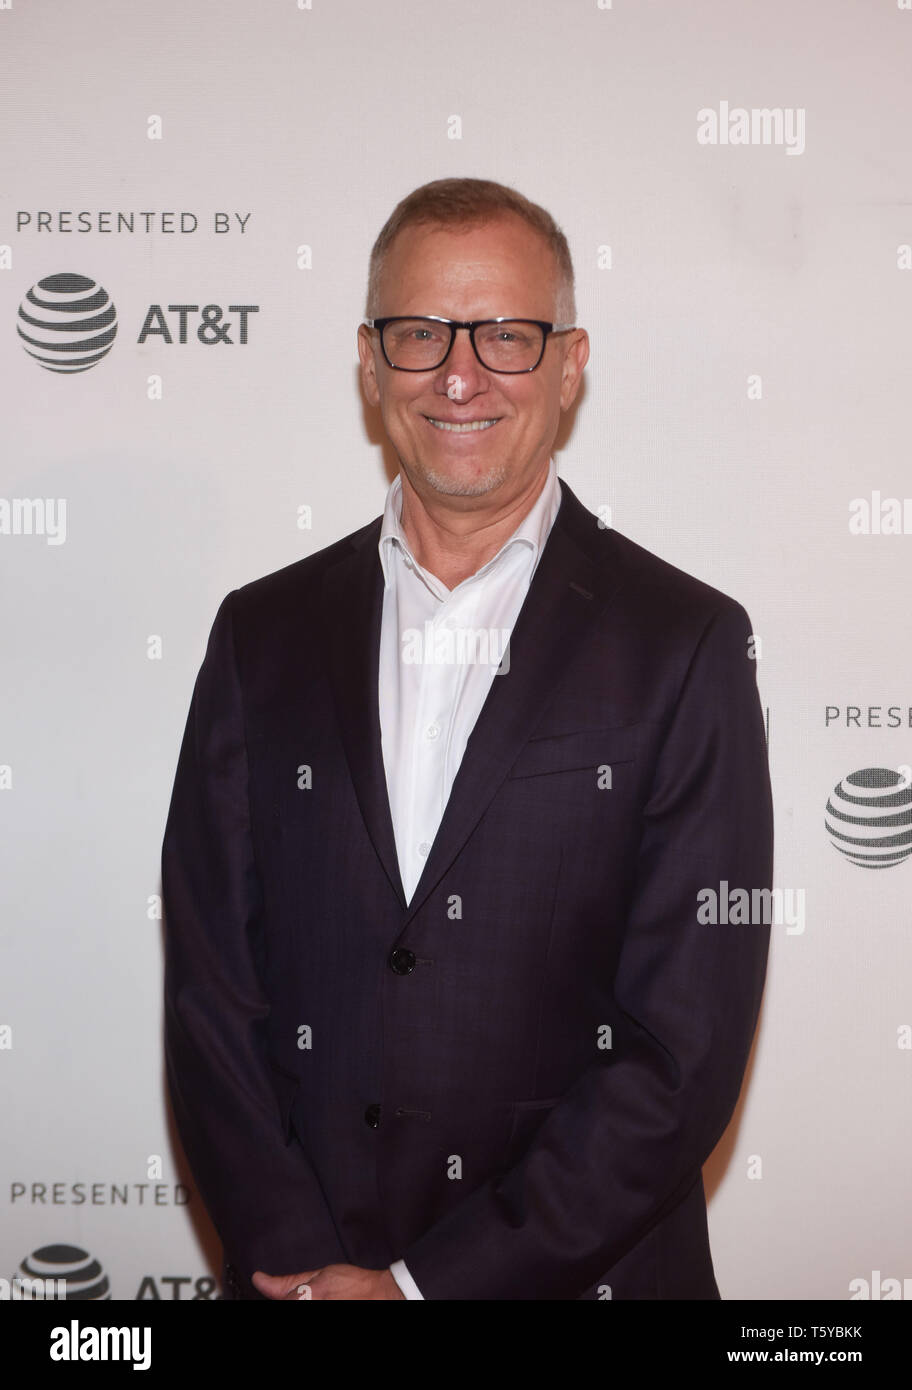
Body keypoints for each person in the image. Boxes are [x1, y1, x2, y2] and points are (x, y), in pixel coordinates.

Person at [161, 177, 773, 1301]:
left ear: (571, 362)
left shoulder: (685, 644)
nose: (459, 373)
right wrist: (302, 1265)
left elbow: (681, 1055)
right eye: (418, 332)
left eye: (506, 334)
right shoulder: (261, 635)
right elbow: (212, 991)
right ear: (368, 359)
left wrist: (421, 1288)